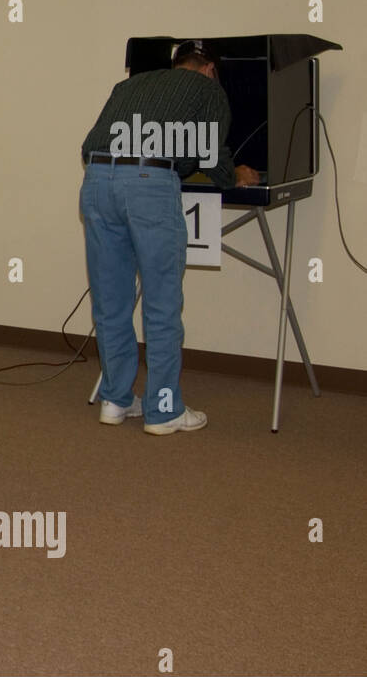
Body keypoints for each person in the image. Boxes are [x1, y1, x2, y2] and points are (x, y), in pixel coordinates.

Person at [80, 40, 259, 433]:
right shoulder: (208, 89)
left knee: (111, 301)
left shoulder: (129, 86)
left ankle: (116, 399)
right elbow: (213, 156)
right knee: (161, 302)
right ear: (210, 68)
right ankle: (163, 411)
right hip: (148, 184)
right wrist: (238, 175)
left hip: (96, 180)